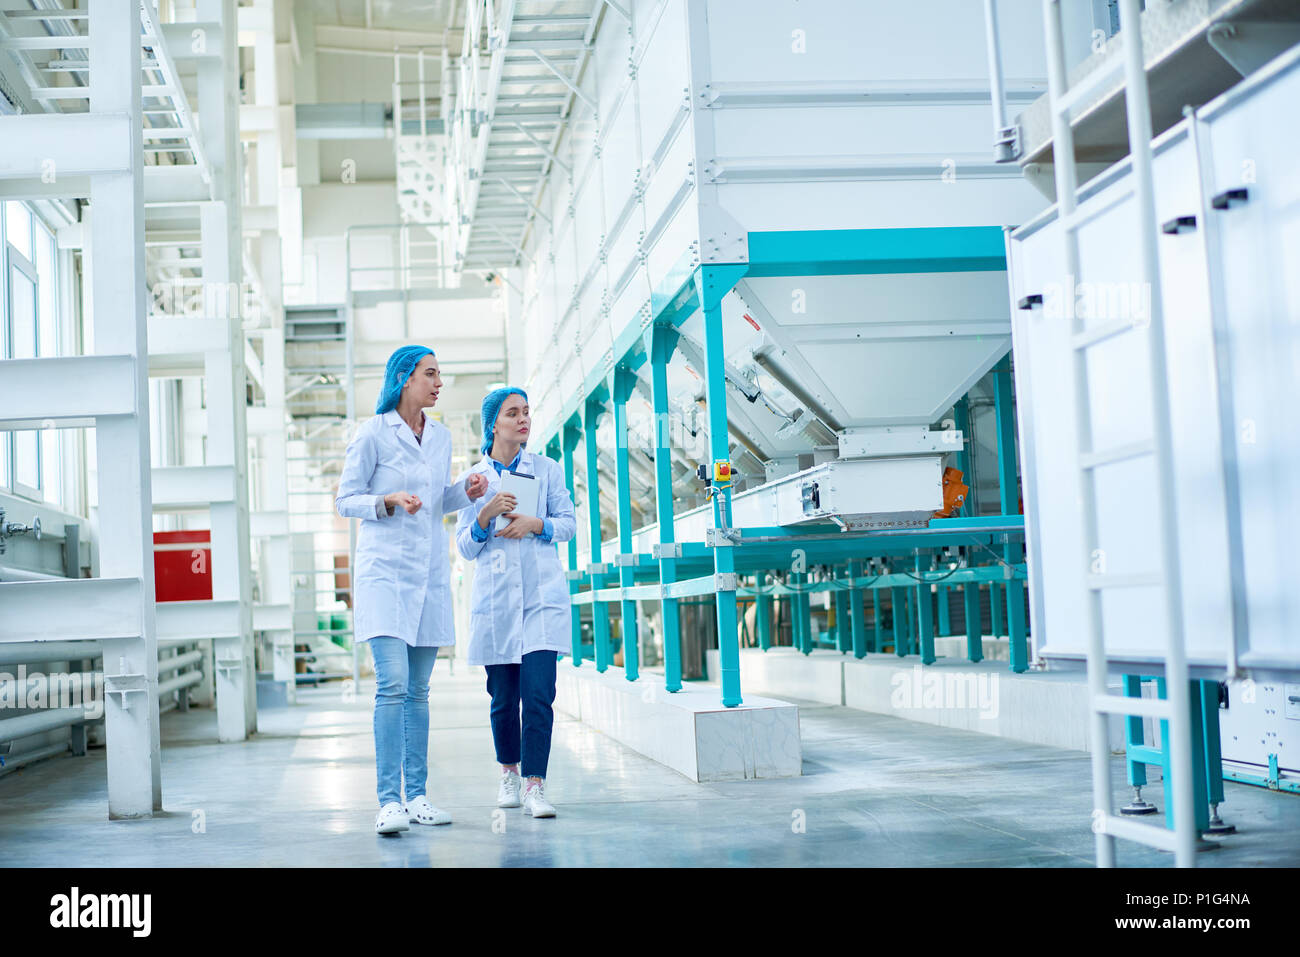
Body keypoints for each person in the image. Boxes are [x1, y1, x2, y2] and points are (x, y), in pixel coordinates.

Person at [335, 345, 489, 836]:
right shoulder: (373, 433)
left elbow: (436, 500)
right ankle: (388, 801)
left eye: (439, 374)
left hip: (427, 574)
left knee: (419, 691)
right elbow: (346, 500)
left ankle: (418, 795)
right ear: (405, 379)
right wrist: (386, 502)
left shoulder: (440, 436)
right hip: (384, 574)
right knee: (392, 684)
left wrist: (466, 490)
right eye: (431, 374)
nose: (439, 382)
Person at [455, 388, 576, 818]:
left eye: (526, 412)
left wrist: (536, 523)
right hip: (497, 604)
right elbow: (465, 549)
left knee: (539, 694)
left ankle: (535, 785)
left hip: (541, 598)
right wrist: (485, 516)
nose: (523, 419)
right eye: (513, 413)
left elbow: (568, 525)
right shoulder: (474, 481)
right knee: (503, 698)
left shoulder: (547, 470)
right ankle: (508, 771)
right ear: (494, 424)